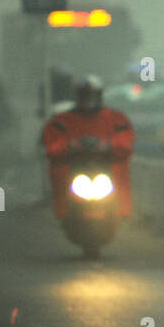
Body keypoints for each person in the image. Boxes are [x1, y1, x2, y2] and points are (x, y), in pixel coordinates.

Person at [40, 75, 135, 220]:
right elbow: (52, 142)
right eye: (85, 96)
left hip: (104, 164)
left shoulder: (115, 118)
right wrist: (67, 147)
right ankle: (62, 211)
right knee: (59, 172)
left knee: (120, 170)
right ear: (78, 97)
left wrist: (112, 146)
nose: (89, 100)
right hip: (73, 164)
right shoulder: (62, 120)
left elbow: (125, 139)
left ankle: (121, 211)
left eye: (92, 95)